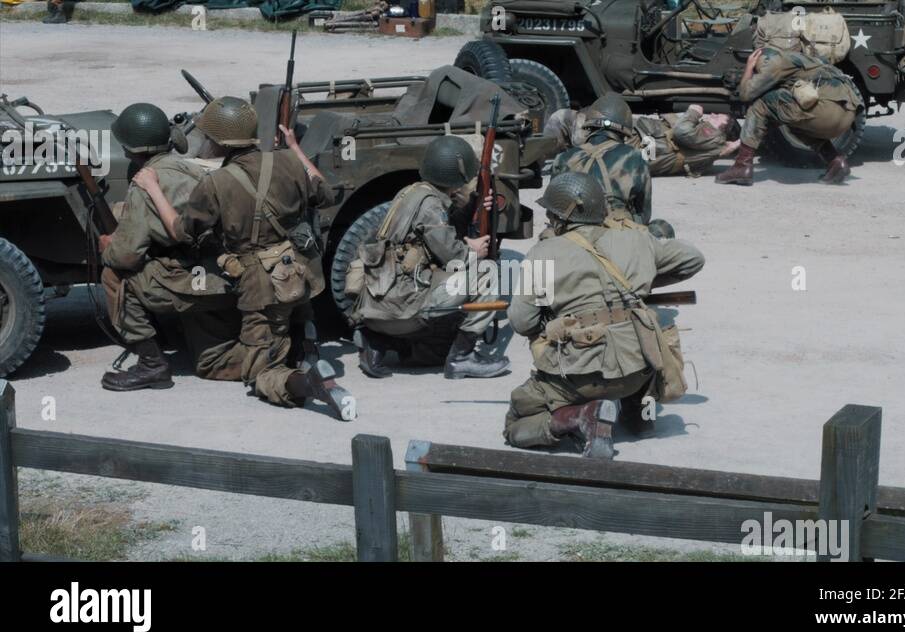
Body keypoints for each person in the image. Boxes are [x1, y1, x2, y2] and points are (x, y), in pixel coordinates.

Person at [134, 96, 355, 420]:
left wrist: (152, 187)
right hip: (300, 272)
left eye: (208, 137)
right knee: (286, 311)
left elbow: (181, 232)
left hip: (263, 286)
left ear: (219, 142)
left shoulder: (216, 184)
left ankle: (307, 383)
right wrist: (294, 149)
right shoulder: (289, 162)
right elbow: (323, 194)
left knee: (259, 373)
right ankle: (304, 341)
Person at [503, 172, 705, 459]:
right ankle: (639, 415)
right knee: (629, 340)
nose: (548, 219)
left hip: (581, 377)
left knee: (516, 422)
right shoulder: (637, 239)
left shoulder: (543, 253)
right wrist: (640, 282)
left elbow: (522, 321)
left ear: (562, 215)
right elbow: (693, 258)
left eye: (550, 214)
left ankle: (583, 415)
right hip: (640, 369)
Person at [100, 102, 238, 392]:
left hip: (194, 282)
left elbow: (126, 256)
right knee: (210, 363)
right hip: (223, 279)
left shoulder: (145, 184)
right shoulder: (192, 169)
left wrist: (108, 247)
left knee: (114, 276)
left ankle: (152, 365)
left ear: (129, 150)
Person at [350, 135, 510, 380]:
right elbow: (454, 256)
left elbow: (442, 234)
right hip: (401, 304)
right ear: (457, 173)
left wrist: (473, 206)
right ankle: (462, 358)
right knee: (486, 276)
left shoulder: (414, 191)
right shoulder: (431, 206)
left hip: (377, 304)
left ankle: (376, 340)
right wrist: (473, 251)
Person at [716, 46, 863, 186]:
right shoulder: (805, 60)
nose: (757, 73)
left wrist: (749, 67)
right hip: (847, 113)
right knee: (794, 121)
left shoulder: (773, 62)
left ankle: (742, 166)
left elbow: (746, 94)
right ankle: (836, 162)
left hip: (827, 109)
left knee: (760, 104)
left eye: (757, 70)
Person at [545, 105, 740, 177]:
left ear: (724, 129)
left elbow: (681, 131)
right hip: (622, 143)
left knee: (562, 118)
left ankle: (530, 158)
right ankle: (537, 156)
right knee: (564, 125)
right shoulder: (709, 145)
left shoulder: (714, 136)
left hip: (618, 144)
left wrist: (694, 112)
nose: (713, 114)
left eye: (719, 117)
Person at [551, 93, 653, 228]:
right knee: (661, 228)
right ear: (624, 132)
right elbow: (643, 213)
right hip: (613, 236)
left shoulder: (563, 158)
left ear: (589, 126)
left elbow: (552, 209)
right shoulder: (636, 158)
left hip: (570, 233)